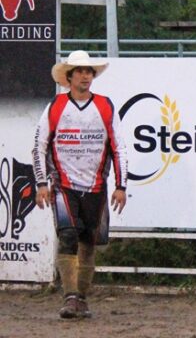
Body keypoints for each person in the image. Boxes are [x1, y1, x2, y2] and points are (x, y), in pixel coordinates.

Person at [32, 50, 128, 319]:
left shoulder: (106, 106)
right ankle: (70, 296)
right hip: (63, 185)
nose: (86, 76)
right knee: (68, 236)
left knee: (88, 242)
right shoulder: (55, 107)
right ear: (69, 77)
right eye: (81, 71)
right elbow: (39, 147)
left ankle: (81, 297)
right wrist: (41, 183)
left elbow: (119, 148)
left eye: (89, 72)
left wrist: (121, 186)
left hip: (96, 186)